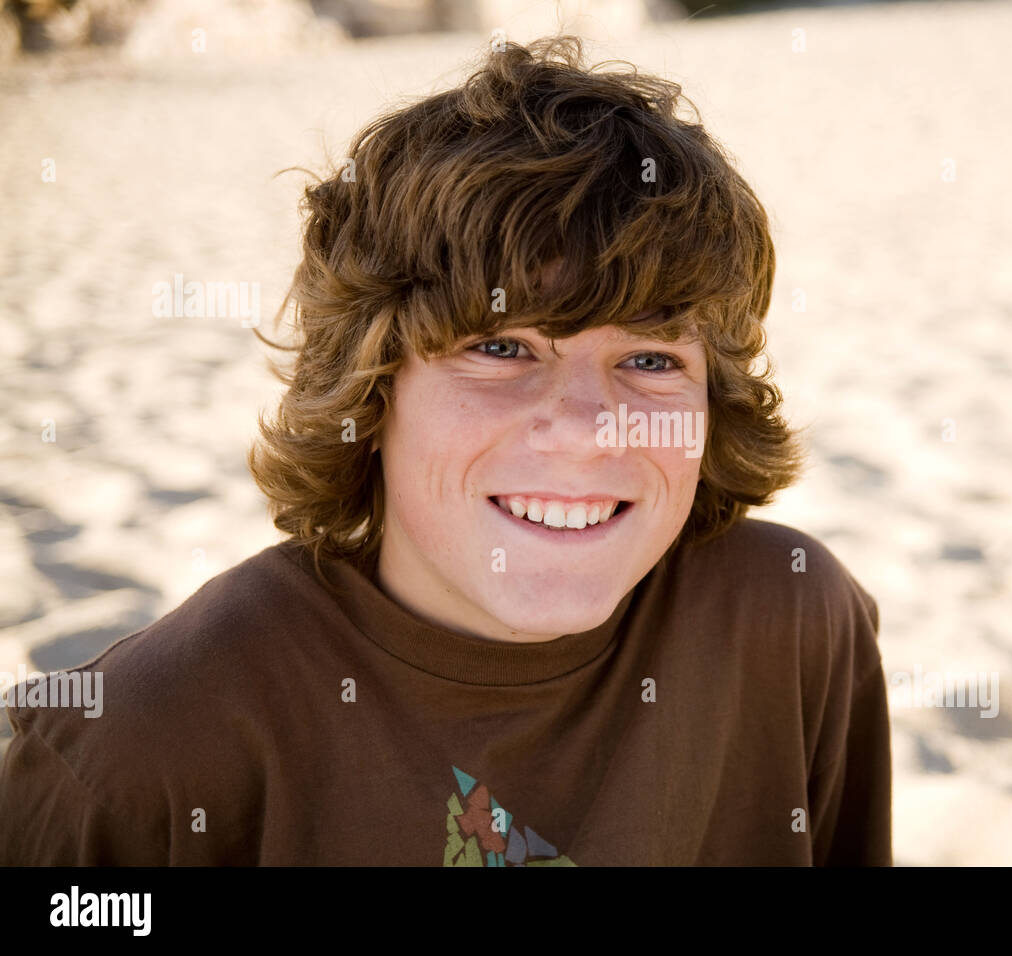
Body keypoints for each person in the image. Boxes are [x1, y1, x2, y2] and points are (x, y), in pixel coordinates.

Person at [0, 34, 890, 866]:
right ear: (371, 385)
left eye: (651, 358)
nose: (586, 426)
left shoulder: (796, 626)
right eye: (502, 348)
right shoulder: (141, 742)